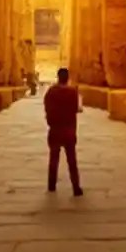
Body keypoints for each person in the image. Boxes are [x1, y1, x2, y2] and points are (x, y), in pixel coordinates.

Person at [43, 67, 83, 196]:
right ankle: (76, 187)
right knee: (72, 160)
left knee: (54, 158)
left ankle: (51, 185)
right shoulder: (73, 92)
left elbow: (47, 107)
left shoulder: (51, 92)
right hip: (69, 129)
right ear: (68, 78)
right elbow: (77, 109)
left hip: (55, 129)